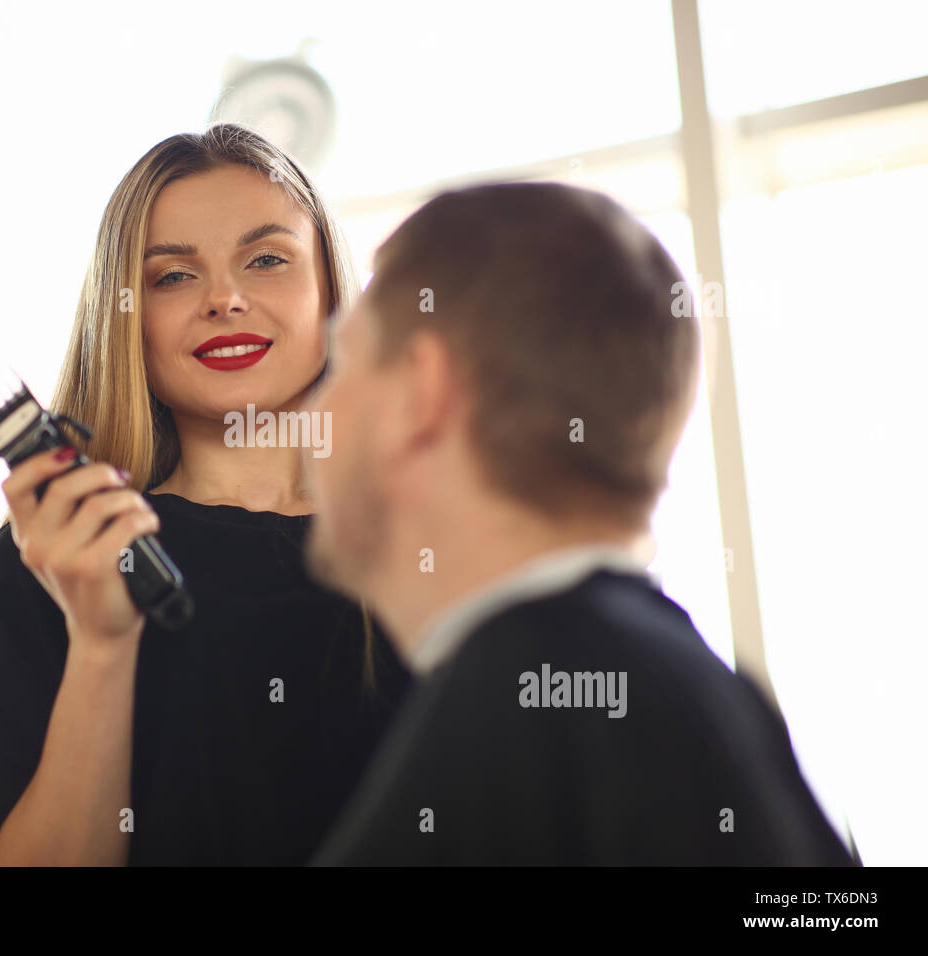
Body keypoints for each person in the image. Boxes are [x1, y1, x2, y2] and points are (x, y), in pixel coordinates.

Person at [300, 182, 855, 865]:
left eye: (346, 361)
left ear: (422, 393)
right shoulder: (718, 708)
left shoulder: (514, 715)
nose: (313, 417)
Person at [0, 124, 413, 866]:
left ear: (330, 293)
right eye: (172, 276)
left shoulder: (435, 546)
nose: (224, 298)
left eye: (266, 259)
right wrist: (101, 644)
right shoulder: (60, 554)